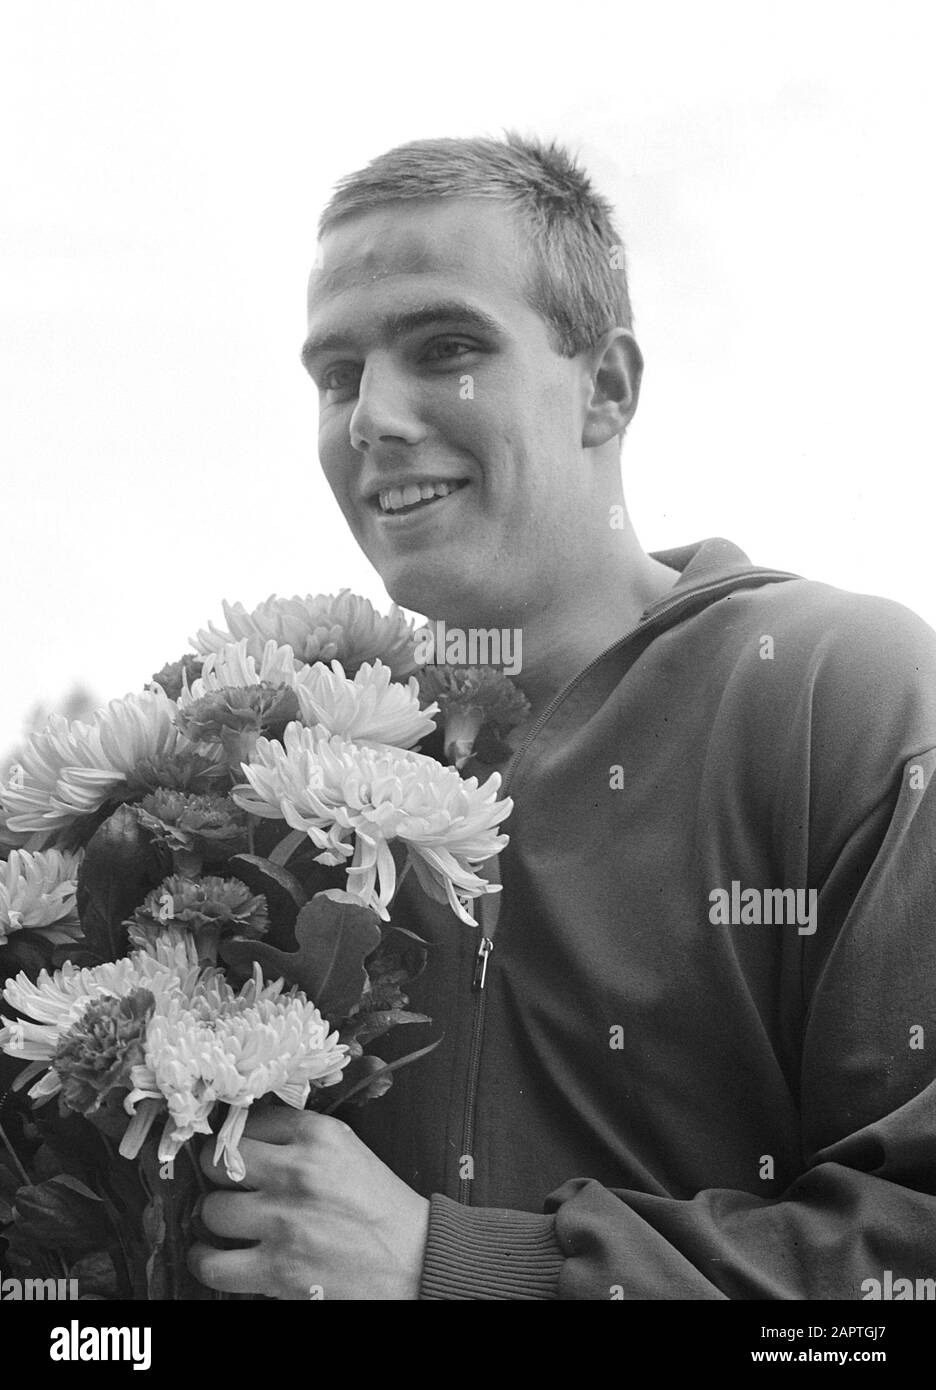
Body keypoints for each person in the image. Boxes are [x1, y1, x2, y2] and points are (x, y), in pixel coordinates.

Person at [188, 134, 936, 1300]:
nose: (373, 417)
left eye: (447, 348)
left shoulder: (848, 696)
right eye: (337, 374)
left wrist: (465, 1269)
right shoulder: (273, 772)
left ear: (608, 388)